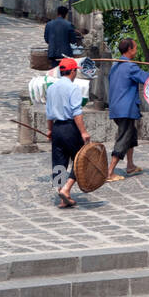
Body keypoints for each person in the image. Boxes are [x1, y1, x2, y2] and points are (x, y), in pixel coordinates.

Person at [105, 38, 149, 182]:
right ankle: (109, 172)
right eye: (135, 47)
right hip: (125, 109)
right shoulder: (130, 67)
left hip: (116, 108)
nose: (136, 50)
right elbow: (147, 78)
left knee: (131, 135)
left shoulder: (116, 66)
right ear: (129, 50)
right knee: (124, 138)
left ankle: (130, 165)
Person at [46, 57, 91, 208]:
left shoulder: (51, 88)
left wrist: (50, 130)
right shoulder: (73, 88)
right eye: (75, 72)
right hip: (70, 128)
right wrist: (83, 132)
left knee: (59, 163)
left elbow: (49, 114)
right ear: (72, 71)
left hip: (57, 129)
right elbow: (76, 113)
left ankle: (62, 196)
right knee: (80, 160)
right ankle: (66, 189)